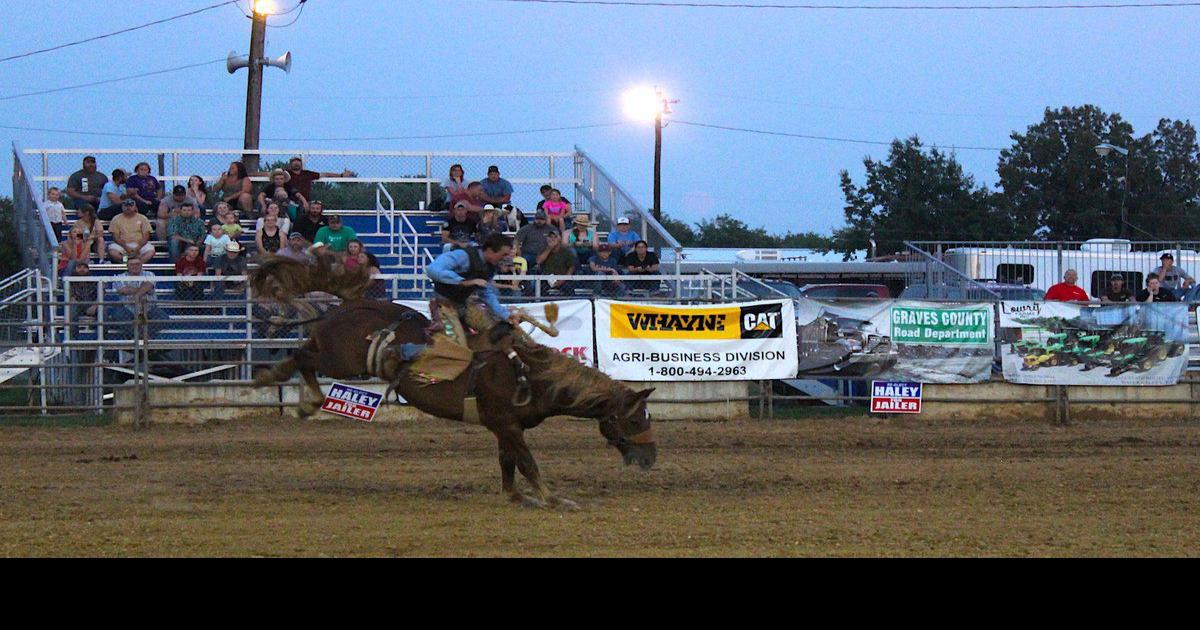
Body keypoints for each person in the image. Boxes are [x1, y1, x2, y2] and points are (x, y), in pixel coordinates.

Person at [425, 232, 522, 345]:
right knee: (457, 344)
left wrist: (506, 315)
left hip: (462, 306)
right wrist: (464, 282)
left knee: (487, 335)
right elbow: (432, 269)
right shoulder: (463, 255)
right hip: (443, 305)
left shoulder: (489, 268)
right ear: (490, 251)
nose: (505, 258)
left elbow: (487, 294)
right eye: (503, 254)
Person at [107, 259, 170, 337]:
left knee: (163, 319)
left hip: (149, 307)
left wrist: (136, 295)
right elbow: (123, 290)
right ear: (127, 266)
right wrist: (143, 290)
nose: (135, 266)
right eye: (132, 264)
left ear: (141, 265)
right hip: (128, 307)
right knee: (118, 316)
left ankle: (143, 335)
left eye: (137, 264)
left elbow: (149, 285)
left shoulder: (149, 274)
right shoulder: (120, 276)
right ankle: (137, 336)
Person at [272, 156, 353, 207]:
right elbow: (271, 174)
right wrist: (258, 174)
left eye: (298, 162)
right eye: (294, 162)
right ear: (290, 164)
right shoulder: (286, 173)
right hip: (290, 201)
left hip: (306, 201)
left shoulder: (307, 173)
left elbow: (325, 174)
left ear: (301, 164)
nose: (296, 163)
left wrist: (341, 175)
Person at [536, 229, 576, 296]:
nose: (552, 239)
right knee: (538, 287)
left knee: (569, 289)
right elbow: (539, 261)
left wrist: (563, 280)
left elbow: (571, 267)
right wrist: (549, 248)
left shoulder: (566, 251)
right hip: (546, 278)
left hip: (563, 278)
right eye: (550, 237)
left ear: (560, 239)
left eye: (555, 237)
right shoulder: (543, 249)